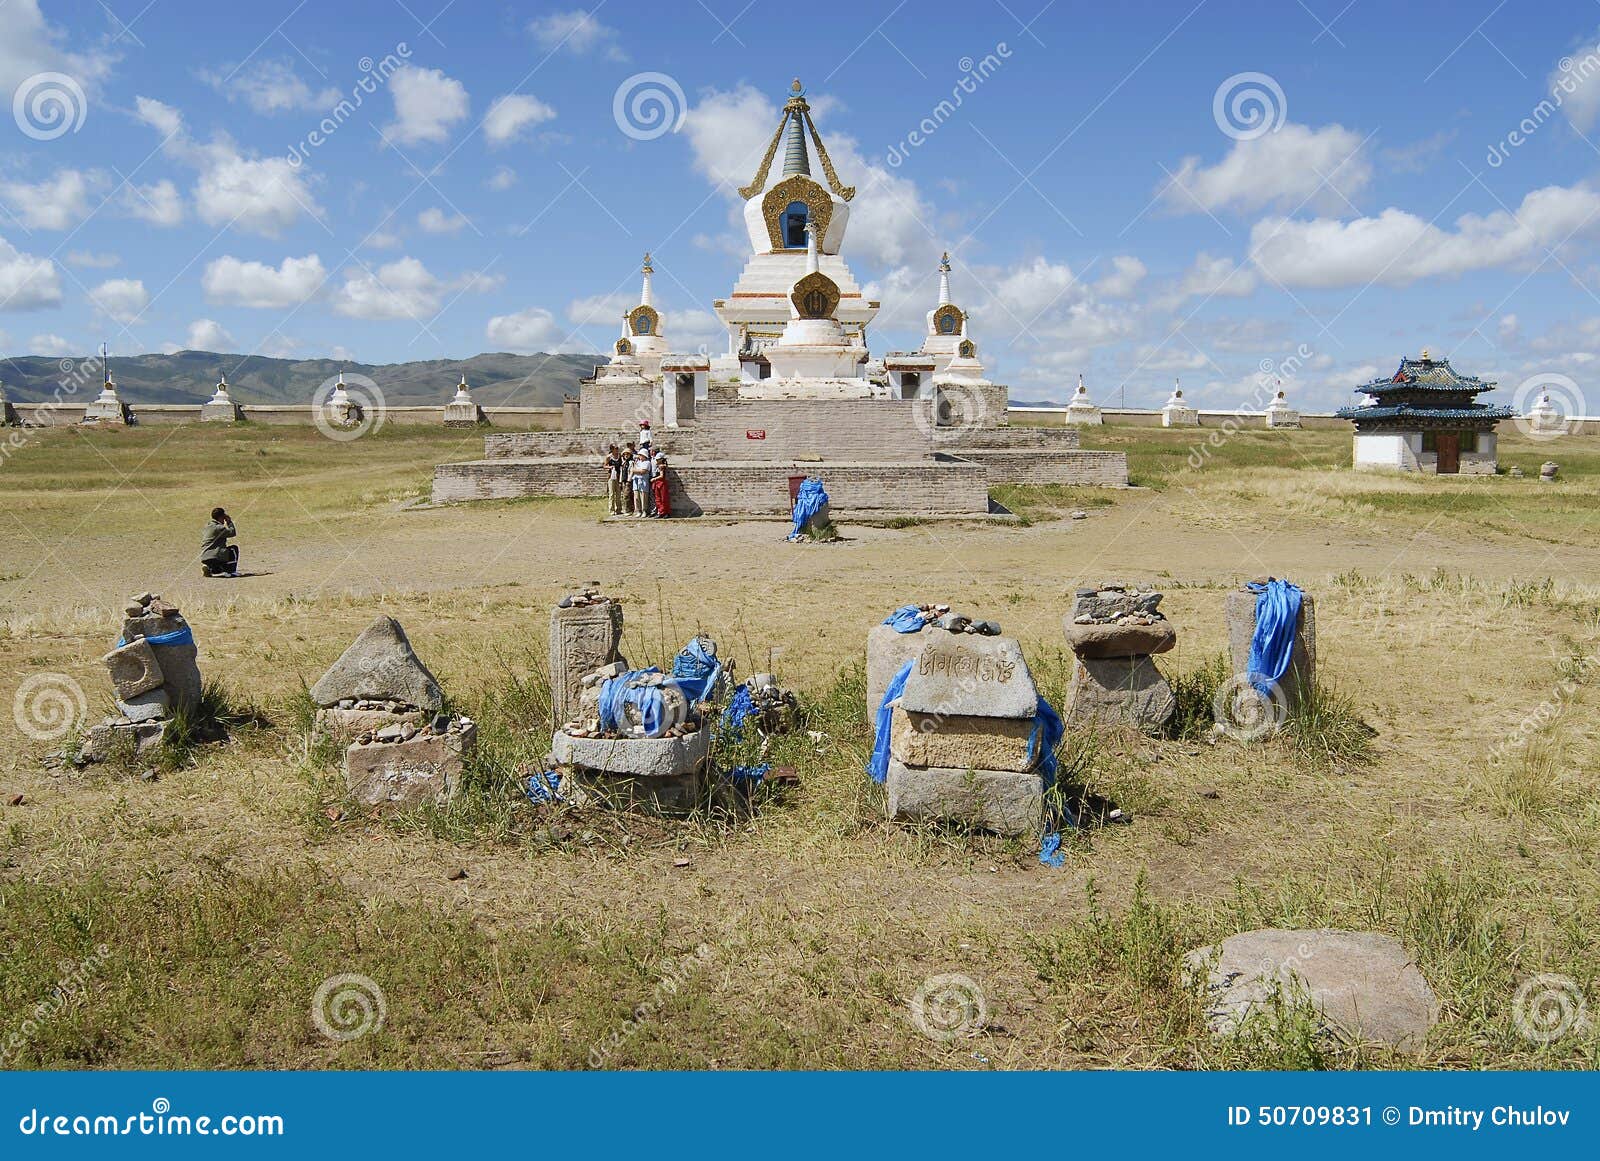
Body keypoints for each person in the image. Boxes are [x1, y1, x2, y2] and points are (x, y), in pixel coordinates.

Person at [201, 507, 239, 577]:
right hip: (215, 556)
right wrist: (229, 522)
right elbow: (232, 533)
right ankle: (231, 571)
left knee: (217, 569)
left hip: (205, 556)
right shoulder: (219, 527)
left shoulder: (207, 526)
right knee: (233, 549)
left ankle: (209, 568)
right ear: (220, 517)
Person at [603, 444, 626, 515]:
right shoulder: (609, 457)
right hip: (611, 477)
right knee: (612, 494)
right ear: (612, 449)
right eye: (615, 448)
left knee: (619, 494)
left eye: (617, 448)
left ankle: (619, 509)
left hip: (618, 477)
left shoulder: (619, 456)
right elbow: (604, 466)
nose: (617, 450)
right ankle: (611, 510)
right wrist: (610, 467)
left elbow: (622, 464)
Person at [629, 448, 652, 517]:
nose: (639, 456)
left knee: (643, 496)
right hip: (636, 480)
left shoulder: (647, 462)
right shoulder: (638, 462)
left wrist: (634, 470)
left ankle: (644, 510)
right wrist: (635, 469)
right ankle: (638, 510)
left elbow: (643, 471)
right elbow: (633, 469)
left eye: (641, 455)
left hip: (643, 481)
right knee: (636, 496)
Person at [650, 449, 671, 519]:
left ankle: (664, 512)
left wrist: (654, 479)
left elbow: (661, 476)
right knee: (659, 498)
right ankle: (662, 512)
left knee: (662, 498)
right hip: (659, 483)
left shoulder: (661, 466)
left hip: (661, 483)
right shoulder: (661, 466)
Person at [622, 442, 638, 514]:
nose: (626, 455)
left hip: (629, 481)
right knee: (625, 495)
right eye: (625, 454)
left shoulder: (631, 462)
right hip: (624, 480)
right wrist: (621, 481)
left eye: (627, 454)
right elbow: (622, 471)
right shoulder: (624, 463)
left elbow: (631, 471)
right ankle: (627, 508)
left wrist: (629, 480)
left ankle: (629, 509)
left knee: (627, 495)